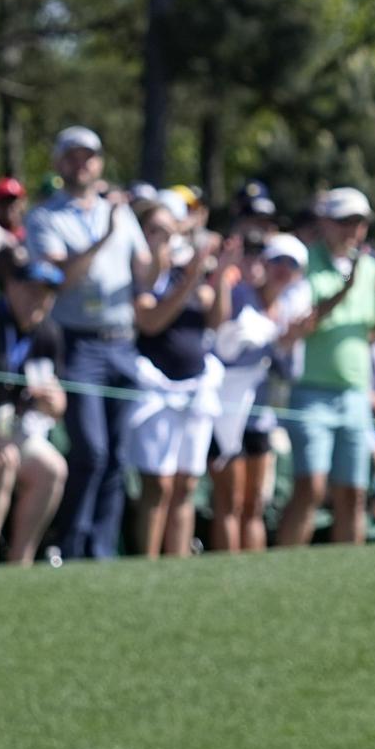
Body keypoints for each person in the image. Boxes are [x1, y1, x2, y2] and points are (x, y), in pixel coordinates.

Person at [24, 127, 144, 560]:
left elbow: (145, 273)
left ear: (99, 163)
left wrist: (170, 244)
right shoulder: (45, 217)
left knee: (116, 455)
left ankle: (102, 551)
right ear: (59, 164)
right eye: (73, 157)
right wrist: (104, 236)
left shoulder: (121, 214)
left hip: (123, 342)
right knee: (91, 450)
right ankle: (72, 546)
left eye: (88, 157)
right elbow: (60, 279)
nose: (82, 165)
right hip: (78, 343)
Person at [276, 188, 375, 548]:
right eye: (345, 221)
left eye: (360, 223)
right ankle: (284, 566)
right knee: (311, 487)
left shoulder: (370, 269)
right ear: (325, 223)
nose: (353, 230)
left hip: (355, 395)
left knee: (353, 492)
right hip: (310, 391)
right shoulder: (304, 263)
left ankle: (347, 571)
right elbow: (303, 324)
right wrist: (347, 287)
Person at [126, 197, 226, 558]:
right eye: (156, 230)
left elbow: (216, 319)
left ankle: (179, 563)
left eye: (170, 230)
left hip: (195, 389)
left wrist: (219, 272)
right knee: (159, 484)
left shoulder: (189, 273)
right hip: (156, 389)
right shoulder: (142, 275)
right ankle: (148, 563)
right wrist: (190, 276)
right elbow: (151, 321)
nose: (165, 238)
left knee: (186, 484)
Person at [0, 256, 71, 565]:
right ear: (10, 286)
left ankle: (20, 562)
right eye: (31, 289)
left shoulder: (48, 333)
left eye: (47, 293)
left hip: (14, 429)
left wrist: (54, 404)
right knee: (1, 462)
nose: (39, 299)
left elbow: (58, 404)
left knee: (52, 469)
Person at [206, 233, 304, 554]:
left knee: (255, 503)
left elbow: (290, 373)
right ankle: (228, 570)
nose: (282, 270)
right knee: (229, 501)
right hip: (226, 414)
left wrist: (286, 344)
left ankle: (253, 570)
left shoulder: (289, 311)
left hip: (260, 418)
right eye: (277, 262)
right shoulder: (240, 296)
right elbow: (223, 345)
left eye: (291, 265)